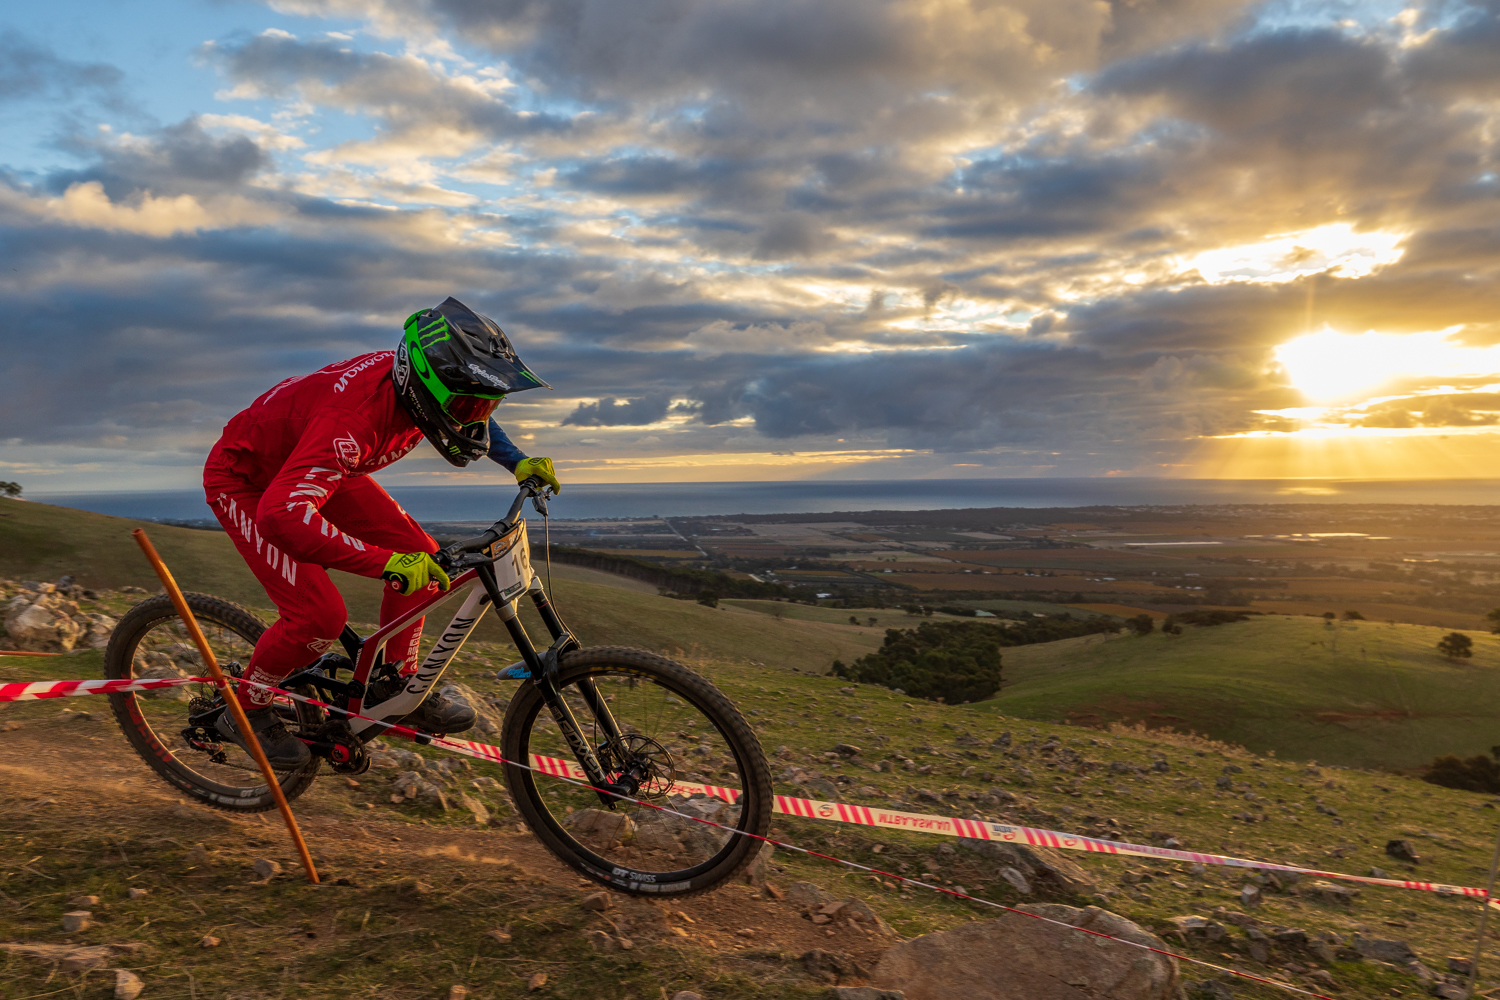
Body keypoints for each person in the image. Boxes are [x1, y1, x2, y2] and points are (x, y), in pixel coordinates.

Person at [202, 297, 560, 767]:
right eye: (466, 405)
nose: (474, 417)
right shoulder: (351, 424)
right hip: (248, 481)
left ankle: (394, 684)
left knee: (424, 558)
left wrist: (516, 460)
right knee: (318, 617)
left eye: (481, 403)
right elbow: (282, 514)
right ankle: (244, 709)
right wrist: (385, 564)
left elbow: (472, 411)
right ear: (424, 390)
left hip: (313, 467)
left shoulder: (417, 386)